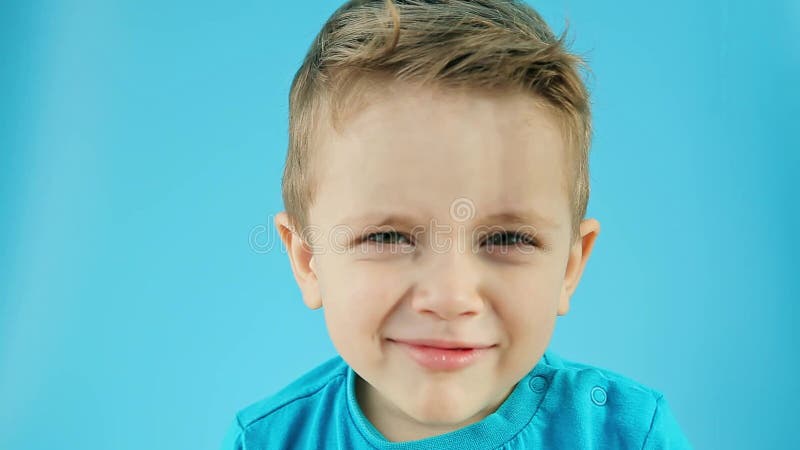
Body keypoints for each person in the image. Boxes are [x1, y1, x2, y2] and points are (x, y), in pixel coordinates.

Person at [222, 0, 692, 448]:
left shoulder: (626, 435)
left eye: (507, 238)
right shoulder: (265, 440)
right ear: (308, 260)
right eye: (387, 237)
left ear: (570, 267)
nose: (450, 298)